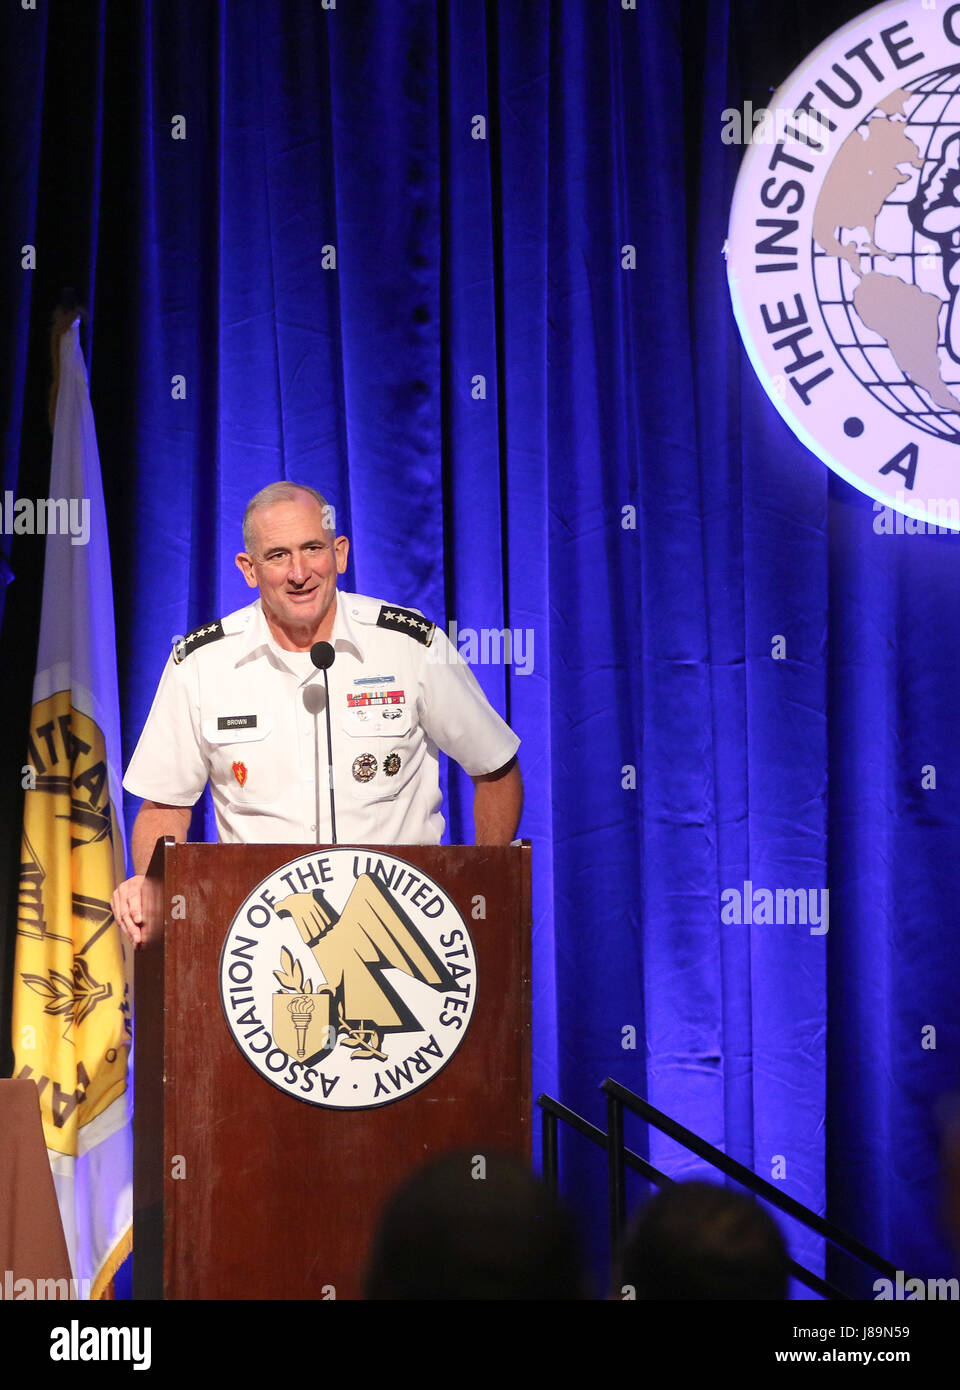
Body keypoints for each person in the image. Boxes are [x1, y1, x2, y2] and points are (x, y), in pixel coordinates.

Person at [111, 481, 522, 944]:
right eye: (278, 555)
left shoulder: (411, 645)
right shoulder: (202, 663)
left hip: (404, 927)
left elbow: (495, 767)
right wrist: (151, 883)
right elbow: (166, 804)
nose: (300, 572)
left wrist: (487, 880)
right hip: (261, 939)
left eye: (313, 548)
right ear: (248, 569)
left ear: (340, 553)